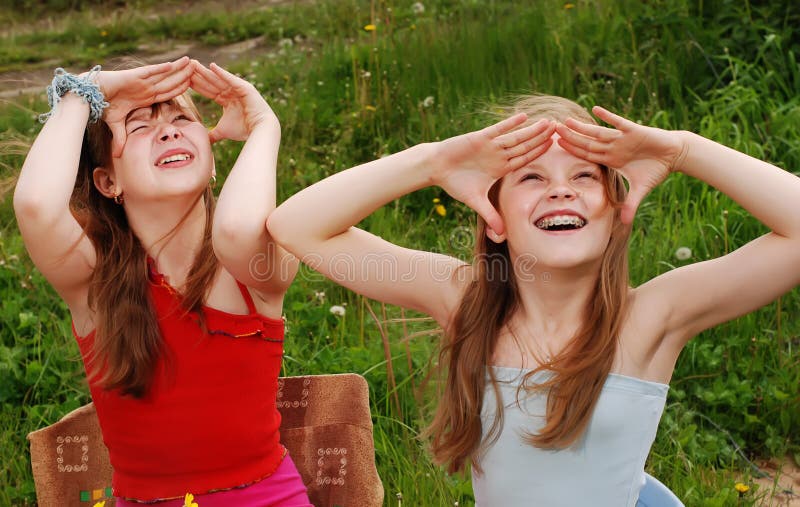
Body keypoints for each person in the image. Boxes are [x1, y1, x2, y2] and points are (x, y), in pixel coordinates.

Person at [267, 95, 800, 506]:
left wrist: (682, 150)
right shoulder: (461, 299)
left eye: (584, 175)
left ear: (617, 213)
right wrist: (433, 161)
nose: (561, 190)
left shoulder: (652, 316)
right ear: (494, 218)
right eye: (531, 177)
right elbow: (298, 226)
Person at [14, 57, 310, 506]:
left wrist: (264, 126)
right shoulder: (94, 277)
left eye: (182, 119)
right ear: (108, 181)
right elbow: (36, 205)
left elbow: (236, 228)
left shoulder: (252, 266)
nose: (169, 132)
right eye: (139, 126)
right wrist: (87, 89)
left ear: (212, 160)